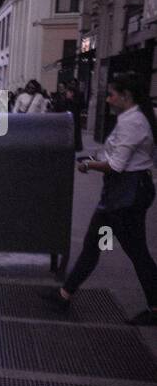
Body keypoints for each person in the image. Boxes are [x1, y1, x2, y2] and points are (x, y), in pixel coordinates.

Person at [52, 72, 157, 325]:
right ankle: (64, 295)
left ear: (126, 96)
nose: (107, 99)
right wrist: (93, 158)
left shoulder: (133, 122)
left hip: (126, 198)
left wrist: (89, 166)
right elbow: (112, 153)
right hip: (120, 196)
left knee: (135, 251)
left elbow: (117, 165)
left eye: (111, 94)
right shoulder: (130, 119)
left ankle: (155, 308)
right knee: (96, 244)